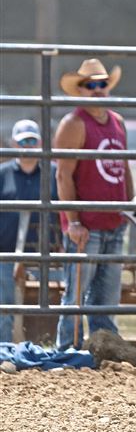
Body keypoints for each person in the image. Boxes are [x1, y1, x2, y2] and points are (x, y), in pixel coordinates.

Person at [53, 59, 132, 350]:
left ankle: (104, 349)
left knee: (107, 297)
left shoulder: (117, 121)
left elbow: (123, 168)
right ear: (81, 90)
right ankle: (67, 350)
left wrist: (128, 207)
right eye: (91, 86)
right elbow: (63, 174)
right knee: (76, 294)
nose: (97, 90)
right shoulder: (73, 124)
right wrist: (72, 221)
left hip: (113, 221)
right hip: (86, 226)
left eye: (102, 84)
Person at [0, 120, 58, 343]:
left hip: (49, 255)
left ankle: (53, 348)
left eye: (32, 141)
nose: (28, 146)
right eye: (23, 141)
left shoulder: (52, 173)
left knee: (57, 304)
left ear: (40, 143)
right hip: (6, 252)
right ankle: (4, 351)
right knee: (5, 307)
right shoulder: (2, 173)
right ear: (14, 144)